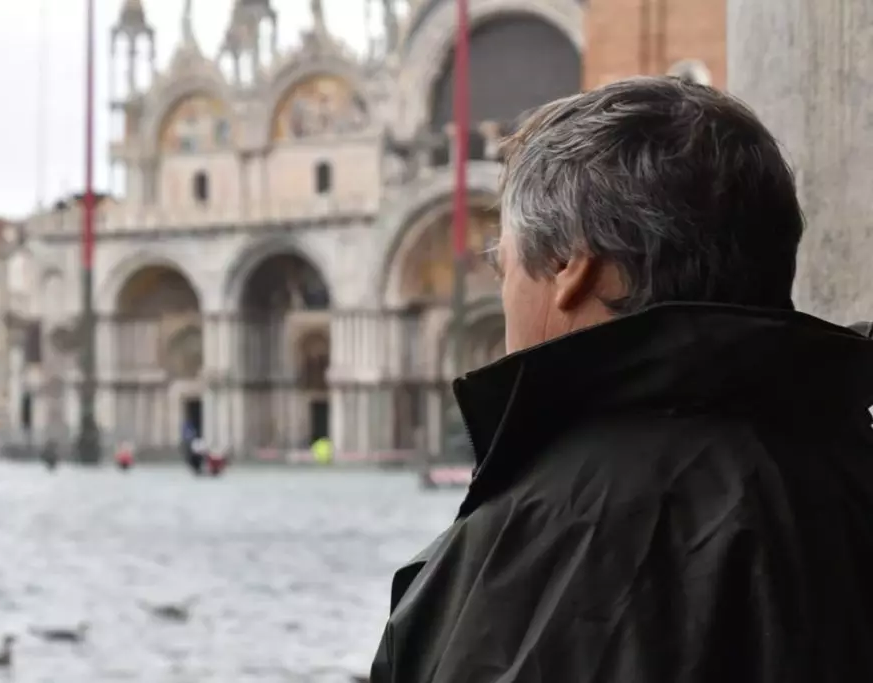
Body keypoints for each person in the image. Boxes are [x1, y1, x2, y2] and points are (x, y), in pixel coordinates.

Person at [370, 77, 873, 682]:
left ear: (568, 266)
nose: (503, 292)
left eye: (501, 264)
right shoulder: (849, 474)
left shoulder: (526, 549)